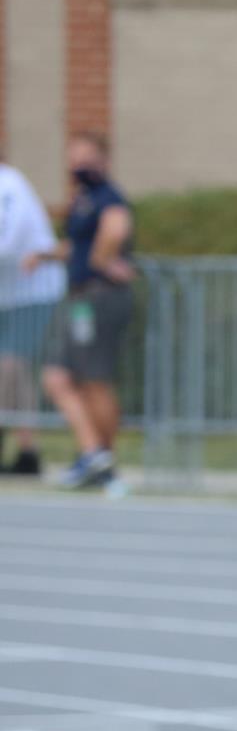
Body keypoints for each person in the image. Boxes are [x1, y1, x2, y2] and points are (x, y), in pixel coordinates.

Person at [21, 134, 136, 492]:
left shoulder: (108, 197)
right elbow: (79, 246)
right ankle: (94, 455)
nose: (78, 165)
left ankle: (102, 458)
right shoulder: (83, 200)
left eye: (86, 157)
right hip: (81, 298)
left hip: (100, 298)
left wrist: (103, 259)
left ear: (103, 160)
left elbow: (116, 227)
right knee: (59, 377)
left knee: (94, 380)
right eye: (74, 157)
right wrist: (45, 256)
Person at [0, 151, 63, 476]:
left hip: (31, 294)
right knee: (13, 373)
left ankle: (27, 451)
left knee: (11, 369)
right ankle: (27, 450)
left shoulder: (10, 185)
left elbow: (9, 243)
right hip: (6, 297)